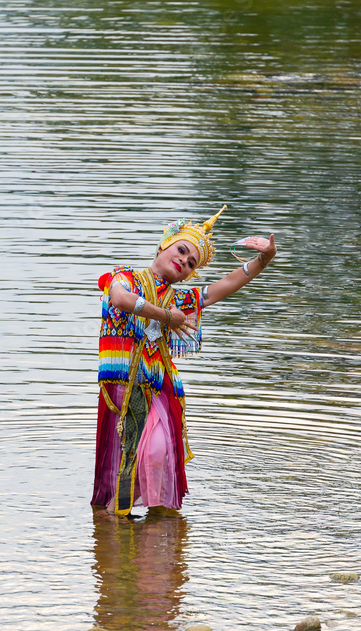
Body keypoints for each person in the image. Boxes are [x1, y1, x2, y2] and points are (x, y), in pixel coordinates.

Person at [92, 205, 276, 515]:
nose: (183, 261)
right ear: (164, 245)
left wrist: (263, 260)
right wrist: (167, 317)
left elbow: (223, 287)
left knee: (155, 452)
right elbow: (121, 300)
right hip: (120, 383)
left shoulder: (179, 299)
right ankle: (117, 530)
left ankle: (125, 526)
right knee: (124, 459)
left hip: (159, 387)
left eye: (191, 263)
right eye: (181, 250)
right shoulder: (123, 276)